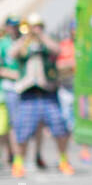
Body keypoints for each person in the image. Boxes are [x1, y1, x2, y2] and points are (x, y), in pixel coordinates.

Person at [11, 14, 74, 176]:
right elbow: (12, 53)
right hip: (28, 92)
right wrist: (25, 37)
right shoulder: (24, 42)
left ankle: (63, 160)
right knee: (23, 130)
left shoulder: (47, 40)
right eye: (33, 26)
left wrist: (41, 36)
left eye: (38, 25)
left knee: (59, 127)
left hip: (47, 91)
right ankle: (18, 163)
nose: (35, 29)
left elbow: (57, 50)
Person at [0, 17, 20, 172]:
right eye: (12, 26)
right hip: (6, 88)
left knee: (15, 124)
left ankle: (14, 155)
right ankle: (9, 153)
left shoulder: (23, 41)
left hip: (21, 88)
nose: (14, 29)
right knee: (4, 127)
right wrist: (14, 74)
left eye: (16, 26)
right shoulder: (2, 43)